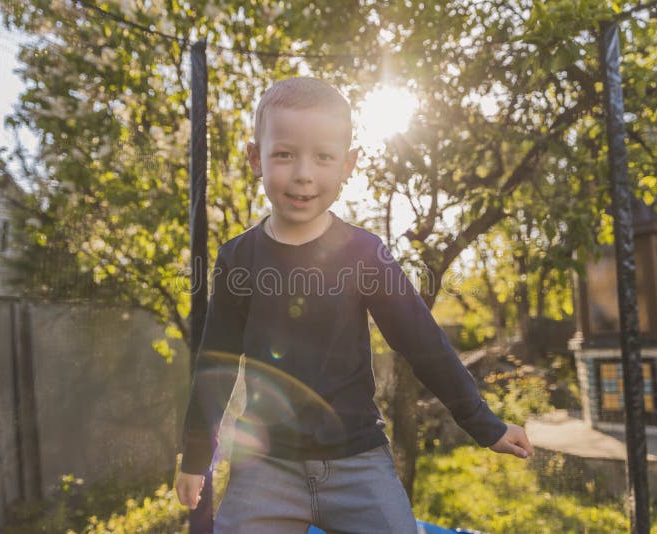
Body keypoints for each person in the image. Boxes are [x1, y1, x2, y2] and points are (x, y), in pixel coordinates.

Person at [175, 76, 534, 533]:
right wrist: (196, 459)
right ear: (255, 159)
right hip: (265, 467)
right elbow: (216, 362)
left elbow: (422, 341)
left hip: (357, 461)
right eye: (285, 154)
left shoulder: (364, 254)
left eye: (323, 157)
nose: (304, 172)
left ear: (348, 164)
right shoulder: (238, 260)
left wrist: (485, 424)